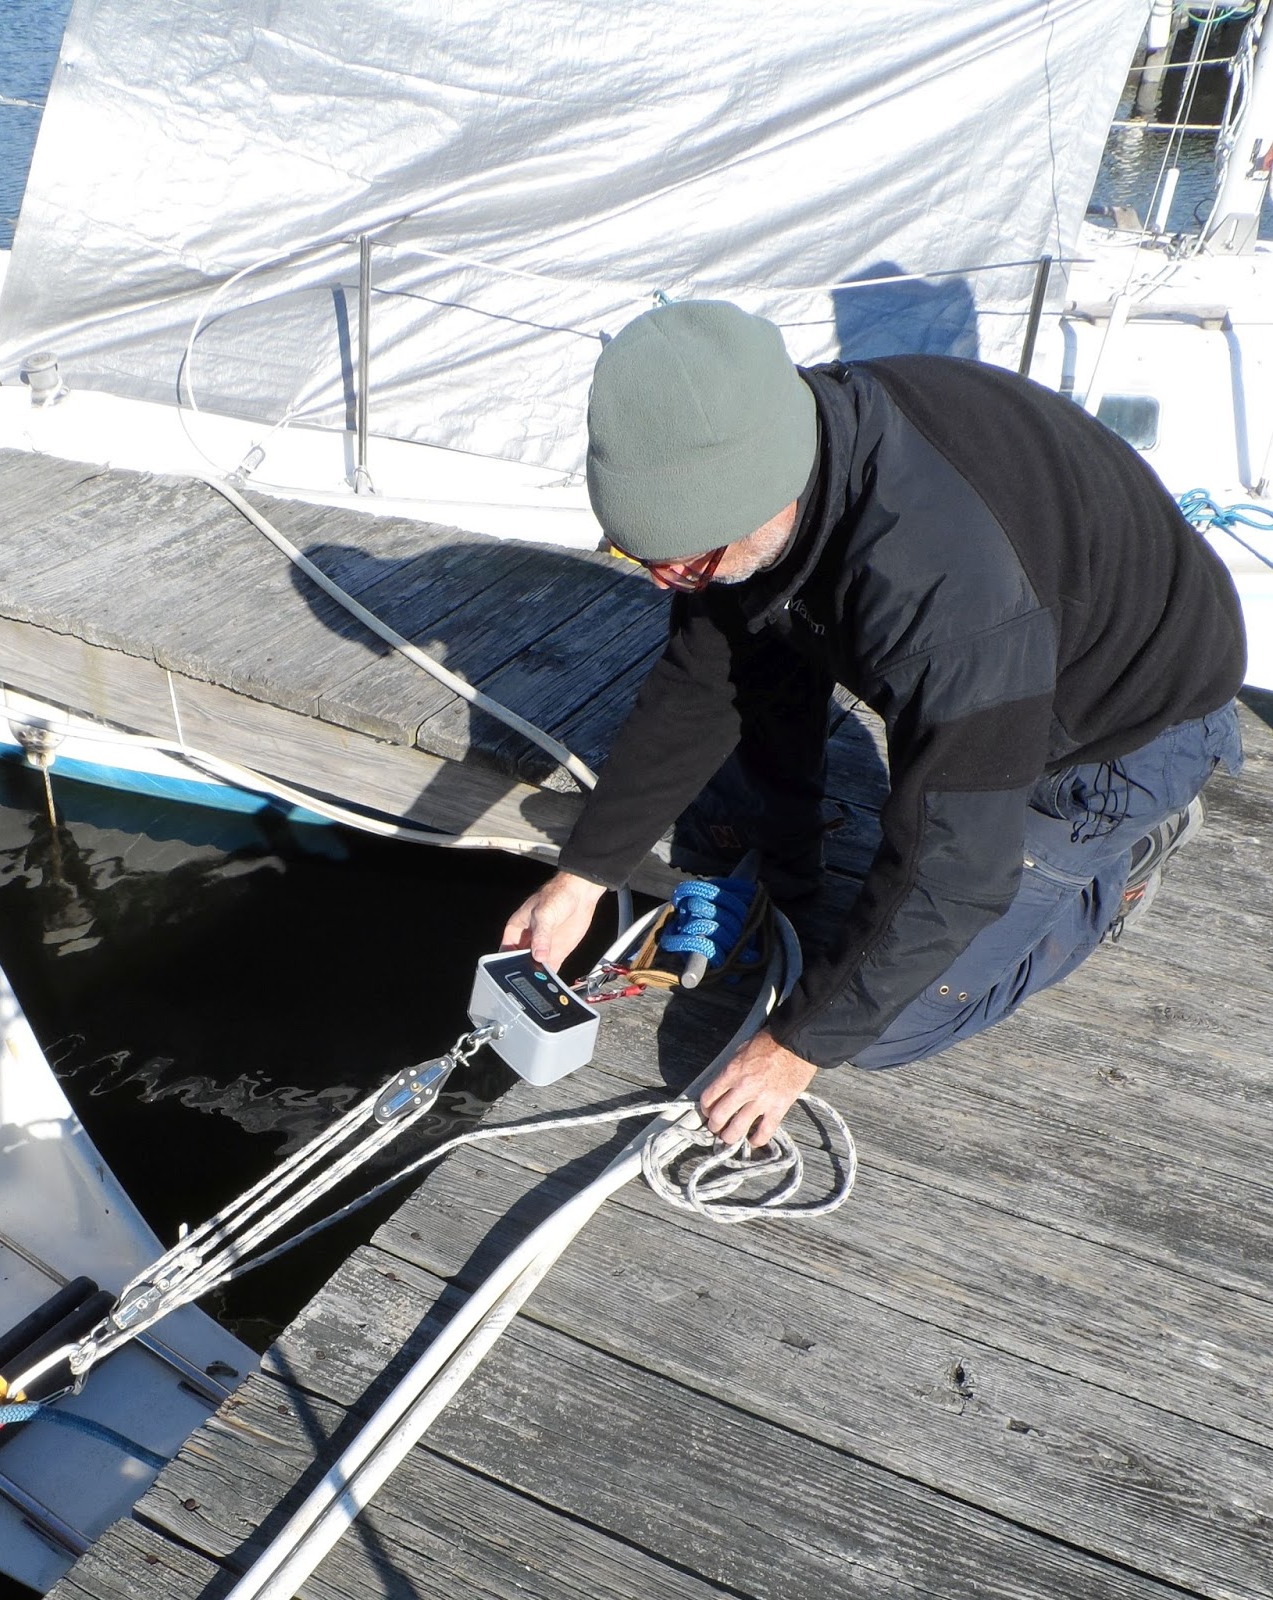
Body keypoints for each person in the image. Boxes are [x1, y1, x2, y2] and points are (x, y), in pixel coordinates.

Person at [502, 300, 1246, 1151]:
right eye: (643, 559)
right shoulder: (787, 438)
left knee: (884, 1026)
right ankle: (785, 871)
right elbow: (701, 681)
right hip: (997, 663)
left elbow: (957, 867)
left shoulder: (946, 597)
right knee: (741, 694)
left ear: (770, 500)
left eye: (691, 560)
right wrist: (582, 878)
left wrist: (794, 1047)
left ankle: (1121, 867)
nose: (667, 582)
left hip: (1115, 735)